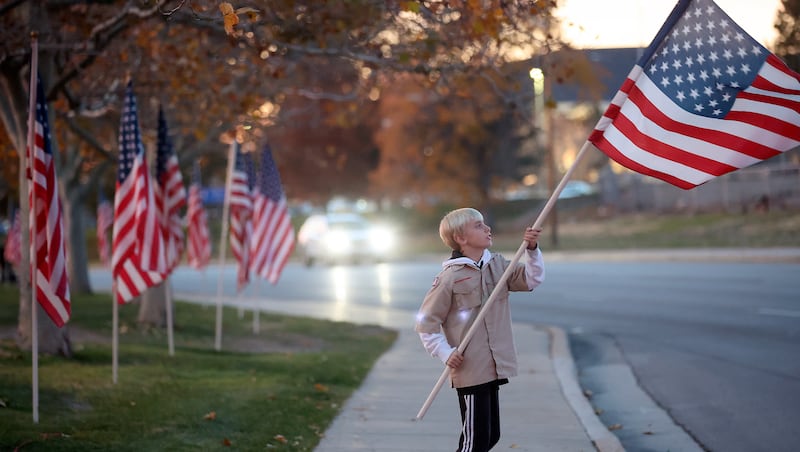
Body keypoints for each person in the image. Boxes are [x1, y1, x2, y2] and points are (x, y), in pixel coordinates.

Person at [415, 208, 545, 452]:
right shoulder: (449, 278)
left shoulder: (498, 265)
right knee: (474, 443)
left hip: (493, 365)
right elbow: (426, 322)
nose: (487, 229)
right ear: (461, 239)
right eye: (478, 226)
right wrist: (444, 352)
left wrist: (532, 250)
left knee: (490, 436)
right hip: (470, 368)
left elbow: (532, 280)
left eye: (484, 224)